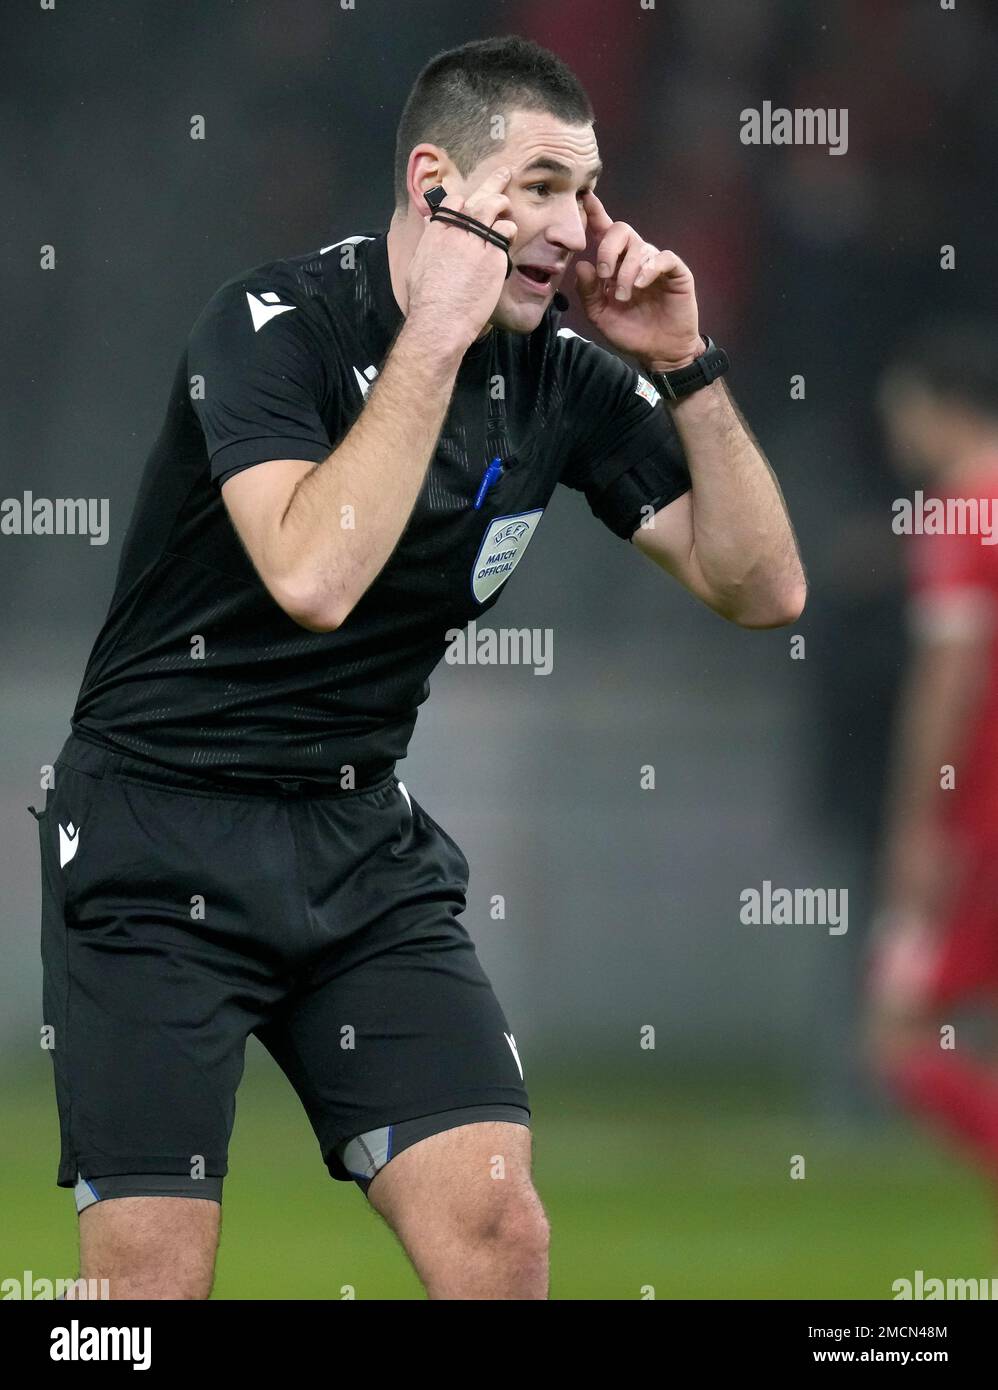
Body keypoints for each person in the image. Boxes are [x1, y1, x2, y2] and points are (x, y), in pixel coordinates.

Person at [32, 34, 805, 1300]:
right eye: (541, 185)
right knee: (141, 1295)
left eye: (588, 189)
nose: (577, 225)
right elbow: (313, 577)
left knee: (499, 1238)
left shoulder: (561, 376)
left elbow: (760, 586)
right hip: (155, 837)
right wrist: (435, 338)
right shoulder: (267, 326)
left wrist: (684, 366)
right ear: (436, 182)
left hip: (355, 844)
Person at [866, 320, 998, 1230]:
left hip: (981, 817)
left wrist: (920, 820)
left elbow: (949, 682)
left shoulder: (964, 508)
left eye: (901, 410)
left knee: (897, 1033)